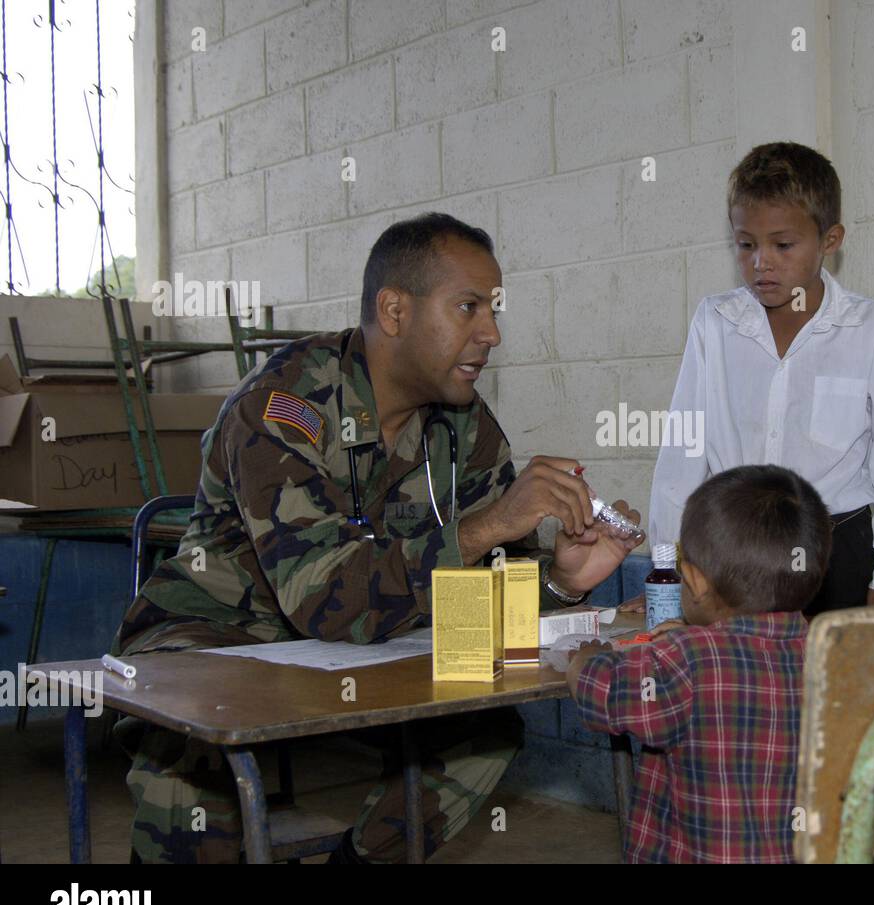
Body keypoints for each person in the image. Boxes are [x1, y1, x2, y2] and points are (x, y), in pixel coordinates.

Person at [112, 212, 640, 863]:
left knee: (481, 727)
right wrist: (488, 525)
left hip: (362, 637)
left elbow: (476, 607)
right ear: (394, 310)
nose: (492, 333)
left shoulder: (464, 429)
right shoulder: (286, 409)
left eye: (494, 310)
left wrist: (559, 579)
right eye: (469, 307)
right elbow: (324, 601)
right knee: (195, 753)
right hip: (213, 631)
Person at [645, 142, 874, 616]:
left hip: (838, 558)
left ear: (830, 240)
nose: (761, 263)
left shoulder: (871, 331)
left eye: (783, 245)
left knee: (827, 690)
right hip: (732, 556)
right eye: (746, 244)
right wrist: (667, 570)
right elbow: (682, 453)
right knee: (737, 687)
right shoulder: (715, 323)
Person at [568, 465, 832, 862]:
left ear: (692, 580)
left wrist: (585, 657)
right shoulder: (833, 653)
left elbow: (604, 695)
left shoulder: (687, 660)